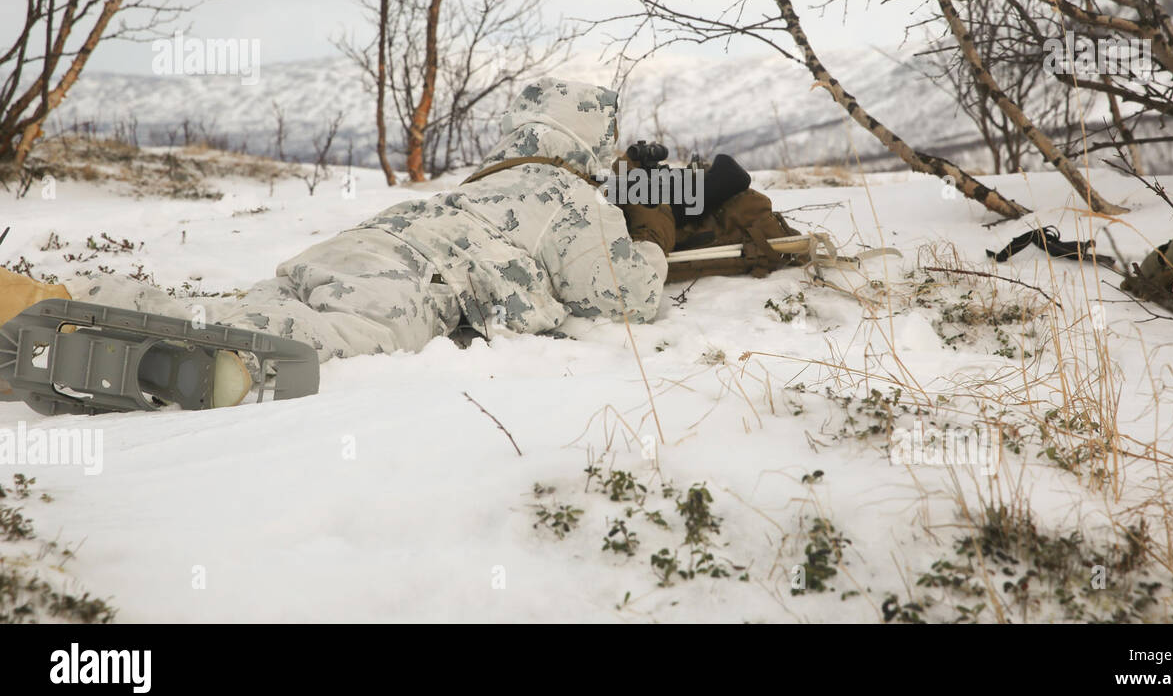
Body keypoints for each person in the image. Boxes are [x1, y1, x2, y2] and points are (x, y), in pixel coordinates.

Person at [3, 78, 678, 407]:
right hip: (402, 282)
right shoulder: (568, 197)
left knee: (244, 311)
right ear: (592, 142)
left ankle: (48, 300)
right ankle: (58, 314)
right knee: (293, 346)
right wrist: (652, 233)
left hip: (351, 251)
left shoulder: (487, 183)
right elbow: (625, 297)